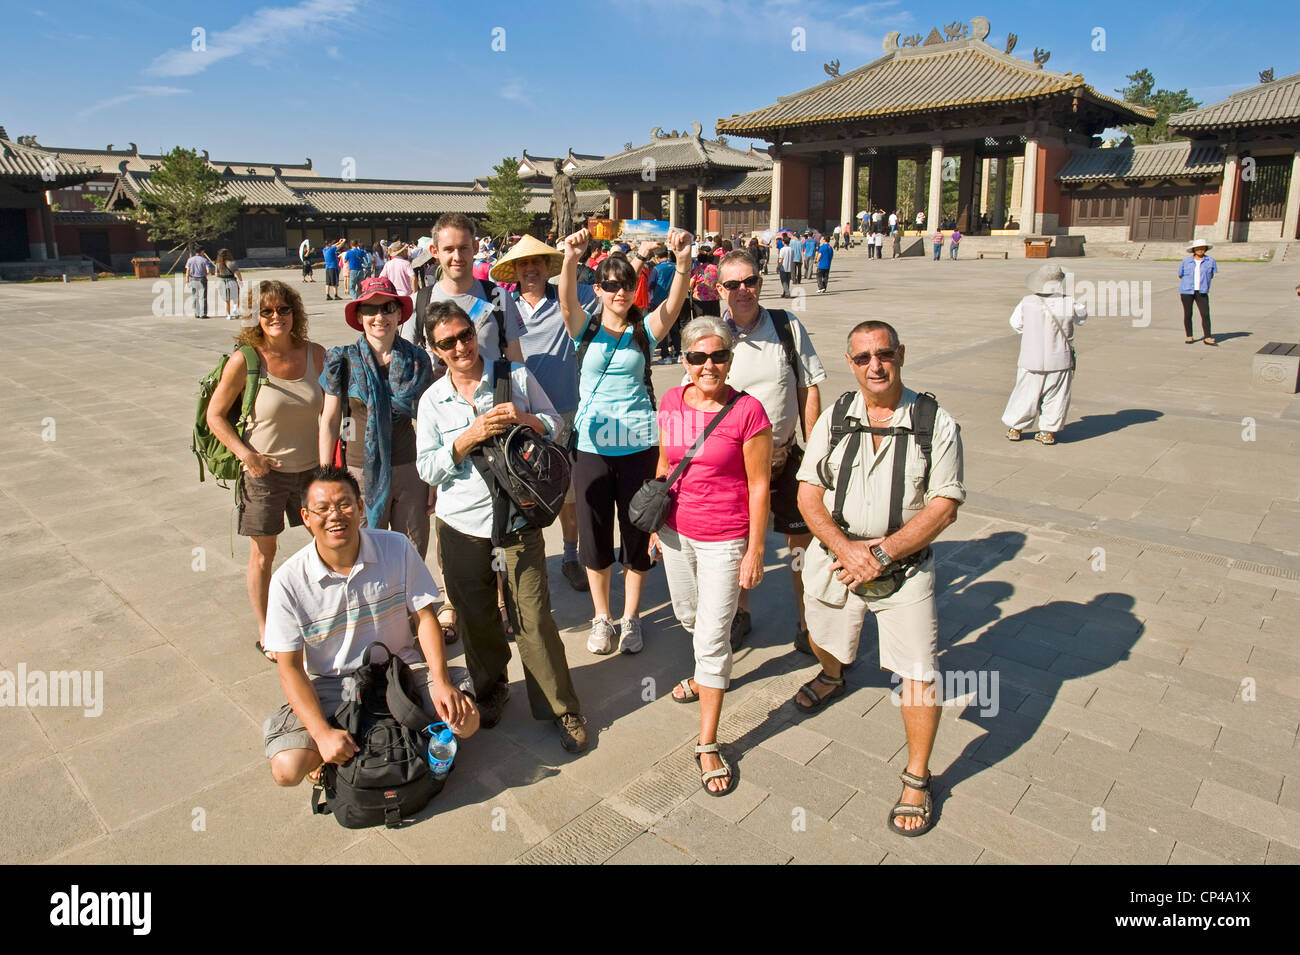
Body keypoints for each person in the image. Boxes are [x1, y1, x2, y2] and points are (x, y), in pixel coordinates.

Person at [795, 320, 965, 836]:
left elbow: (944, 507)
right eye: (863, 357)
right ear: (850, 363)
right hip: (838, 555)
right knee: (822, 632)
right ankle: (831, 675)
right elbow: (807, 493)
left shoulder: (935, 421)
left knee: (918, 671)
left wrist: (884, 552)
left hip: (904, 564)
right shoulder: (836, 415)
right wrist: (846, 549)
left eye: (884, 354)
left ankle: (917, 776)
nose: (875, 365)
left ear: (901, 355)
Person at [414, 301, 588, 751]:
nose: (460, 347)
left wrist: (526, 419)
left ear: (476, 333)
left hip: (516, 518)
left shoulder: (514, 376)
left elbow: (555, 424)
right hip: (461, 525)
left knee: (532, 617)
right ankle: (492, 689)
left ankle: (560, 707)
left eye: (465, 335)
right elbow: (428, 470)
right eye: (447, 342)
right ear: (435, 350)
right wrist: (466, 437)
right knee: (476, 618)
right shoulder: (432, 400)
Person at [261, 466, 478, 788]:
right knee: (286, 769)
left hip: (401, 670)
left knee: (467, 723)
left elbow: (426, 617)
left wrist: (443, 681)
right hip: (334, 683)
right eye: (322, 508)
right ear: (305, 516)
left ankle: (375, 734)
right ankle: (364, 738)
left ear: (361, 507)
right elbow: (290, 668)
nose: (335, 516)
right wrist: (320, 734)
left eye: (344, 504)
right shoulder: (288, 581)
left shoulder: (396, 547)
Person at [558, 226, 692, 655]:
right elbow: (565, 303)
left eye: (626, 284)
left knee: (637, 530)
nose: (618, 291)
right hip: (592, 450)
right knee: (594, 535)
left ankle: (631, 617)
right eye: (610, 284)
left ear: (635, 289)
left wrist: (683, 261)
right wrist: (570, 258)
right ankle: (602, 617)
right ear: (597, 289)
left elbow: (673, 307)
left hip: (638, 446)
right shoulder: (585, 330)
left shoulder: (642, 331)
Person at [654, 317, 772, 795]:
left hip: (725, 537)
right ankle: (703, 675)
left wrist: (756, 549)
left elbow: (760, 485)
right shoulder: (670, 401)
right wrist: (653, 527)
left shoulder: (748, 411)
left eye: (717, 356)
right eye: (698, 357)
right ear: (684, 361)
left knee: (712, 636)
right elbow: (665, 463)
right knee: (687, 615)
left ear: (729, 359)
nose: (708, 366)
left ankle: (707, 743)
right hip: (674, 532)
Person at [206, 280, 326, 660]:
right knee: (264, 554)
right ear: (256, 316)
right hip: (264, 473)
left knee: (327, 545)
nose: (276, 317)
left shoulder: (316, 355)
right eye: (267, 311)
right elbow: (215, 416)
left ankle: (324, 615)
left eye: (284, 310)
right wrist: (247, 456)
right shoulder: (245, 360)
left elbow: (332, 409)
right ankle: (266, 628)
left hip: (312, 471)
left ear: (295, 313)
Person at [713, 250, 826, 653]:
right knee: (738, 543)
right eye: (733, 284)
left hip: (784, 454)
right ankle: (739, 612)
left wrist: (814, 449)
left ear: (761, 282)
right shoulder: (715, 335)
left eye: (751, 281)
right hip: (735, 463)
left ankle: (806, 619)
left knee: (801, 546)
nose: (743, 290)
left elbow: (808, 385)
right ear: (719, 289)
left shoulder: (785, 324)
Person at [491, 234, 595, 592]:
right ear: (515, 270)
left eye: (537, 262)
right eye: (523, 263)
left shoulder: (575, 296)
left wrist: (574, 258)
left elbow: (614, 299)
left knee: (567, 492)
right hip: (520, 416)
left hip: (566, 411)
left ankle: (570, 555)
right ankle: (528, 564)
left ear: (547, 267)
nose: (530, 269)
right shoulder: (501, 304)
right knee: (521, 488)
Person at [319, 276, 436, 561]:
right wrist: (325, 476)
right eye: (371, 310)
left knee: (411, 548)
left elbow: (430, 422)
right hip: (359, 472)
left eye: (387, 308)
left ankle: (408, 604)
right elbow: (330, 421)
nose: (379, 316)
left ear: (398, 313)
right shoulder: (343, 360)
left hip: (410, 469)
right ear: (360, 316)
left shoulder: (418, 361)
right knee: (363, 550)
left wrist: (433, 481)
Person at [402, 213, 524, 367]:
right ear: (434, 251)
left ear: (475, 247)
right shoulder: (419, 302)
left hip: (493, 389)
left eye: (463, 248)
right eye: (449, 249)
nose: (457, 257)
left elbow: (516, 363)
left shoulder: (498, 297)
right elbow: (406, 364)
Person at [1001, 263, 1086, 446]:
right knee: (1056, 395)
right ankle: (1047, 432)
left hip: (1031, 357)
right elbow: (1082, 317)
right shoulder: (1069, 302)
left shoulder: (1027, 301)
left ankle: (1016, 428)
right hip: (1059, 358)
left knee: (1025, 393)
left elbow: (1016, 324)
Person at [1178, 239, 1218, 345]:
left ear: (1205, 249)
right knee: (1188, 314)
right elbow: (1180, 275)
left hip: (1202, 291)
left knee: (1205, 314)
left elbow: (1212, 275)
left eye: (1202, 248)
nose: (1200, 250)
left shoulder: (1211, 261)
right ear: (1194, 249)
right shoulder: (1185, 261)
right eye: (1198, 248)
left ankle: (1208, 337)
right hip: (1187, 291)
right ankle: (1189, 336)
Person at [690, 245, 721, 318]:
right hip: (714, 300)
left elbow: (690, 285)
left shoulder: (697, 269)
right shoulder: (717, 269)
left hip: (700, 300)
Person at [214, 249, 242, 319]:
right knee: (235, 297)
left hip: (222, 282)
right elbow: (237, 273)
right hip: (232, 281)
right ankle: (235, 310)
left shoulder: (218, 264)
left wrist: (221, 274)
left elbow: (216, 275)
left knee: (227, 299)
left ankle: (229, 315)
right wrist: (241, 280)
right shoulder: (232, 263)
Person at [184, 248, 212, 318]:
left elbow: (187, 271)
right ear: (201, 251)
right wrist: (204, 273)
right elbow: (208, 271)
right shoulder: (204, 260)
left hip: (193, 279)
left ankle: (196, 313)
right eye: (203, 251)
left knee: (195, 296)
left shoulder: (190, 260)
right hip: (202, 279)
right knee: (203, 297)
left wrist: (187, 281)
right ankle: (203, 314)